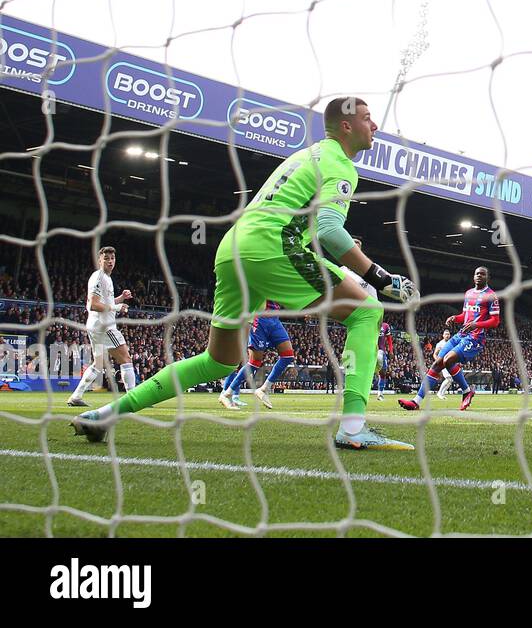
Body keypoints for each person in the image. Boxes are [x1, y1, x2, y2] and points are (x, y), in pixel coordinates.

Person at [74, 97, 418, 451]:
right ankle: (352, 428)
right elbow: (329, 231)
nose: (374, 125)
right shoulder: (340, 164)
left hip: (233, 247)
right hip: (272, 245)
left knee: (218, 360)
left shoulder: (305, 155)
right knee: (368, 312)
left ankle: (105, 414)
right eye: (367, 118)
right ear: (346, 125)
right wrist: (380, 278)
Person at [400, 266, 499, 412]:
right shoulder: (469, 293)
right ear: (473, 276)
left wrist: (476, 325)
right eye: (477, 273)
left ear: (487, 278)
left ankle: (466, 391)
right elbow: (465, 316)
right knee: (437, 363)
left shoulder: (491, 296)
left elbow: (495, 321)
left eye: (482, 274)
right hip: (461, 334)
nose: (479, 276)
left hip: (475, 338)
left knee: (448, 360)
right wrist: (456, 318)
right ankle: (416, 402)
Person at [66, 246, 136, 406]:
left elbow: (105, 303)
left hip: (95, 325)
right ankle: (133, 398)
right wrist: (117, 307)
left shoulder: (105, 278)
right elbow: (93, 305)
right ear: (100, 260)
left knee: (98, 364)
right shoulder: (99, 278)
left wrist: (120, 299)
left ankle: (76, 397)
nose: (110, 261)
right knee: (126, 358)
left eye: (112, 258)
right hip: (105, 326)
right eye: (106, 259)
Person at [218, 301, 296, 410]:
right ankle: (227, 394)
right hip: (259, 318)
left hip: (275, 319)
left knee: (288, 356)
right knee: (254, 362)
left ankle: (263, 389)